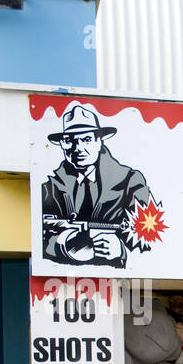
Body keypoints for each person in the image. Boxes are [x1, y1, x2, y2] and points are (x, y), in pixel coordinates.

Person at [41, 105, 154, 267]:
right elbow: (39, 240)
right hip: (65, 283)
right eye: (70, 141)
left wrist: (120, 249)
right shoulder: (50, 188)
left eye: (86, 139)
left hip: (121, 282)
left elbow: (151, 239)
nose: (78, 148)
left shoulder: (130, 181)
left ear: (99, 141)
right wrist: (63, 244)